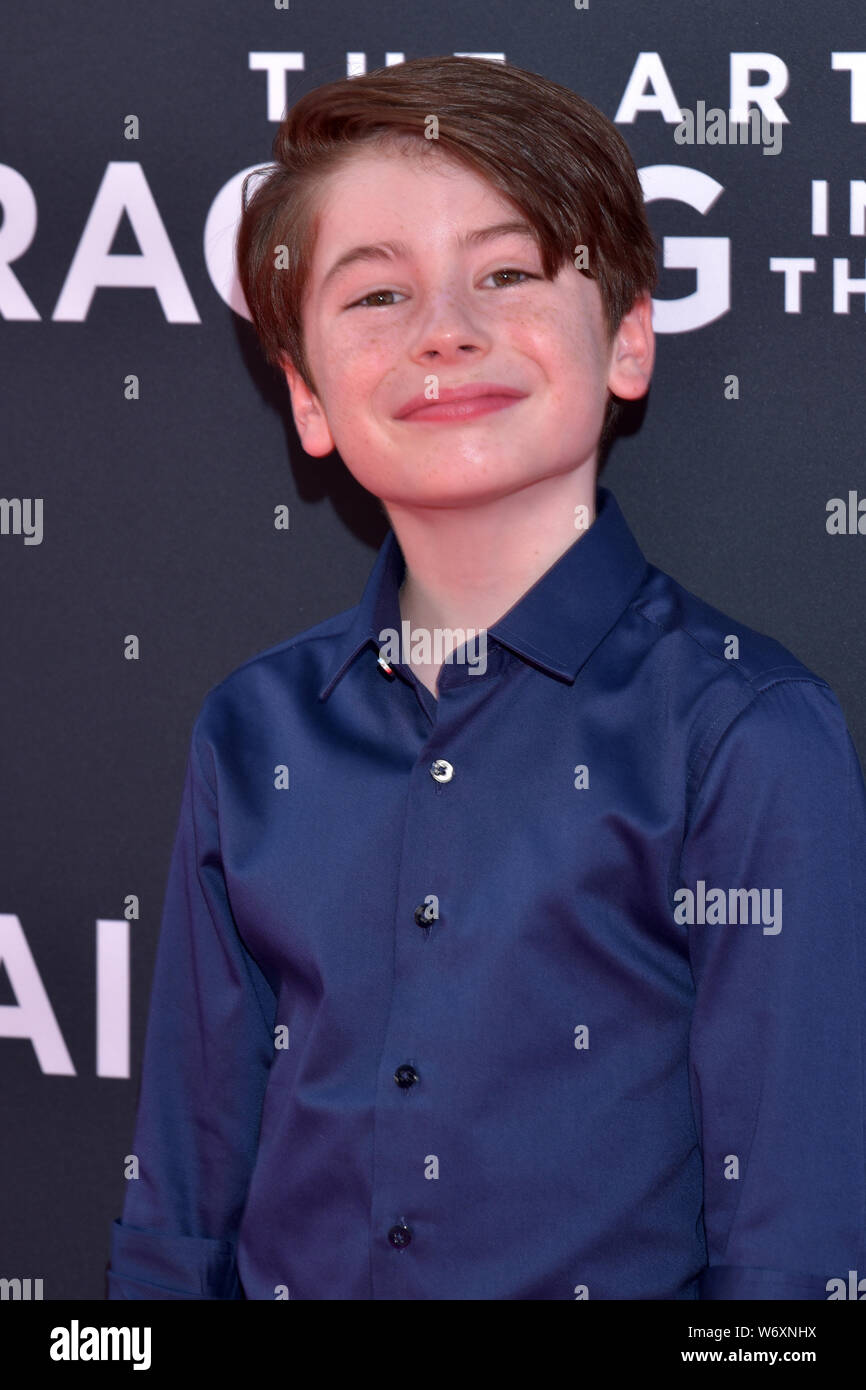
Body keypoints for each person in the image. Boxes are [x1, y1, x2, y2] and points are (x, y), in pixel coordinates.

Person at [107, 55, 866, 1300]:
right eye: (375, 295)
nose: (444, 330)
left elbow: (788, 1262)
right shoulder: (250, 732)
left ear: (627, 340)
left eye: (506, 274)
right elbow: (178, 1214)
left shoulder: (743, 736)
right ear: (303, 395)